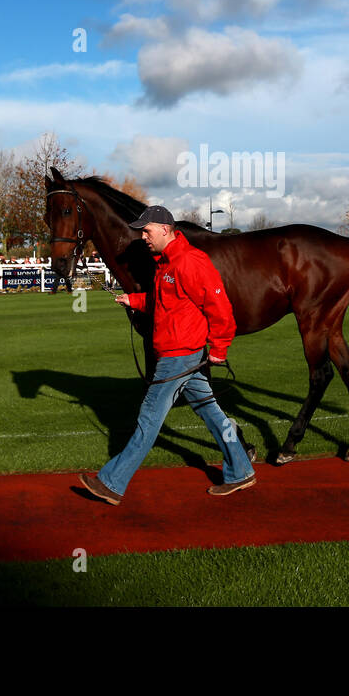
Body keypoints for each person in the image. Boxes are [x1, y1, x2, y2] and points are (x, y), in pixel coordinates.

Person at [79, 205, 255, 504]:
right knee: (212, 414)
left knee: (148, 418)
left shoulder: (190, 262)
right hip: (180, 353)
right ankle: (240, 471)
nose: (143, 237)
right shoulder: (166, 264)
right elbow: (165, 302)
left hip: (180, 355)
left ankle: (111, 482)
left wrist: (220, 349)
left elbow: (221, 308)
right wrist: (133, 300)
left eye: (146, 231)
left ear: (164, 229)